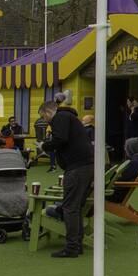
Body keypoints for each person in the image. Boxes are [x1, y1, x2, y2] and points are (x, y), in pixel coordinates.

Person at [39, 93, 93, 259]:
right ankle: (77, 245)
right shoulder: (70, 118)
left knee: (69, 208)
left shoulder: (60, 118)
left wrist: (44, 146)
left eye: (44, 117)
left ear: (48, 113)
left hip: (76, 169)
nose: (46, 122)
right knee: (75, 208)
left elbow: (60, 139)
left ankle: (71, 248)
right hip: (87, 166)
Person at [107, 137, 138, 203]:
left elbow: (122, 178)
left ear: (130, 149)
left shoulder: (135, 162)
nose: (125, 149)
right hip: (119, 192)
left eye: (126, 147)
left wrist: (112, 174)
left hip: (116, 195)